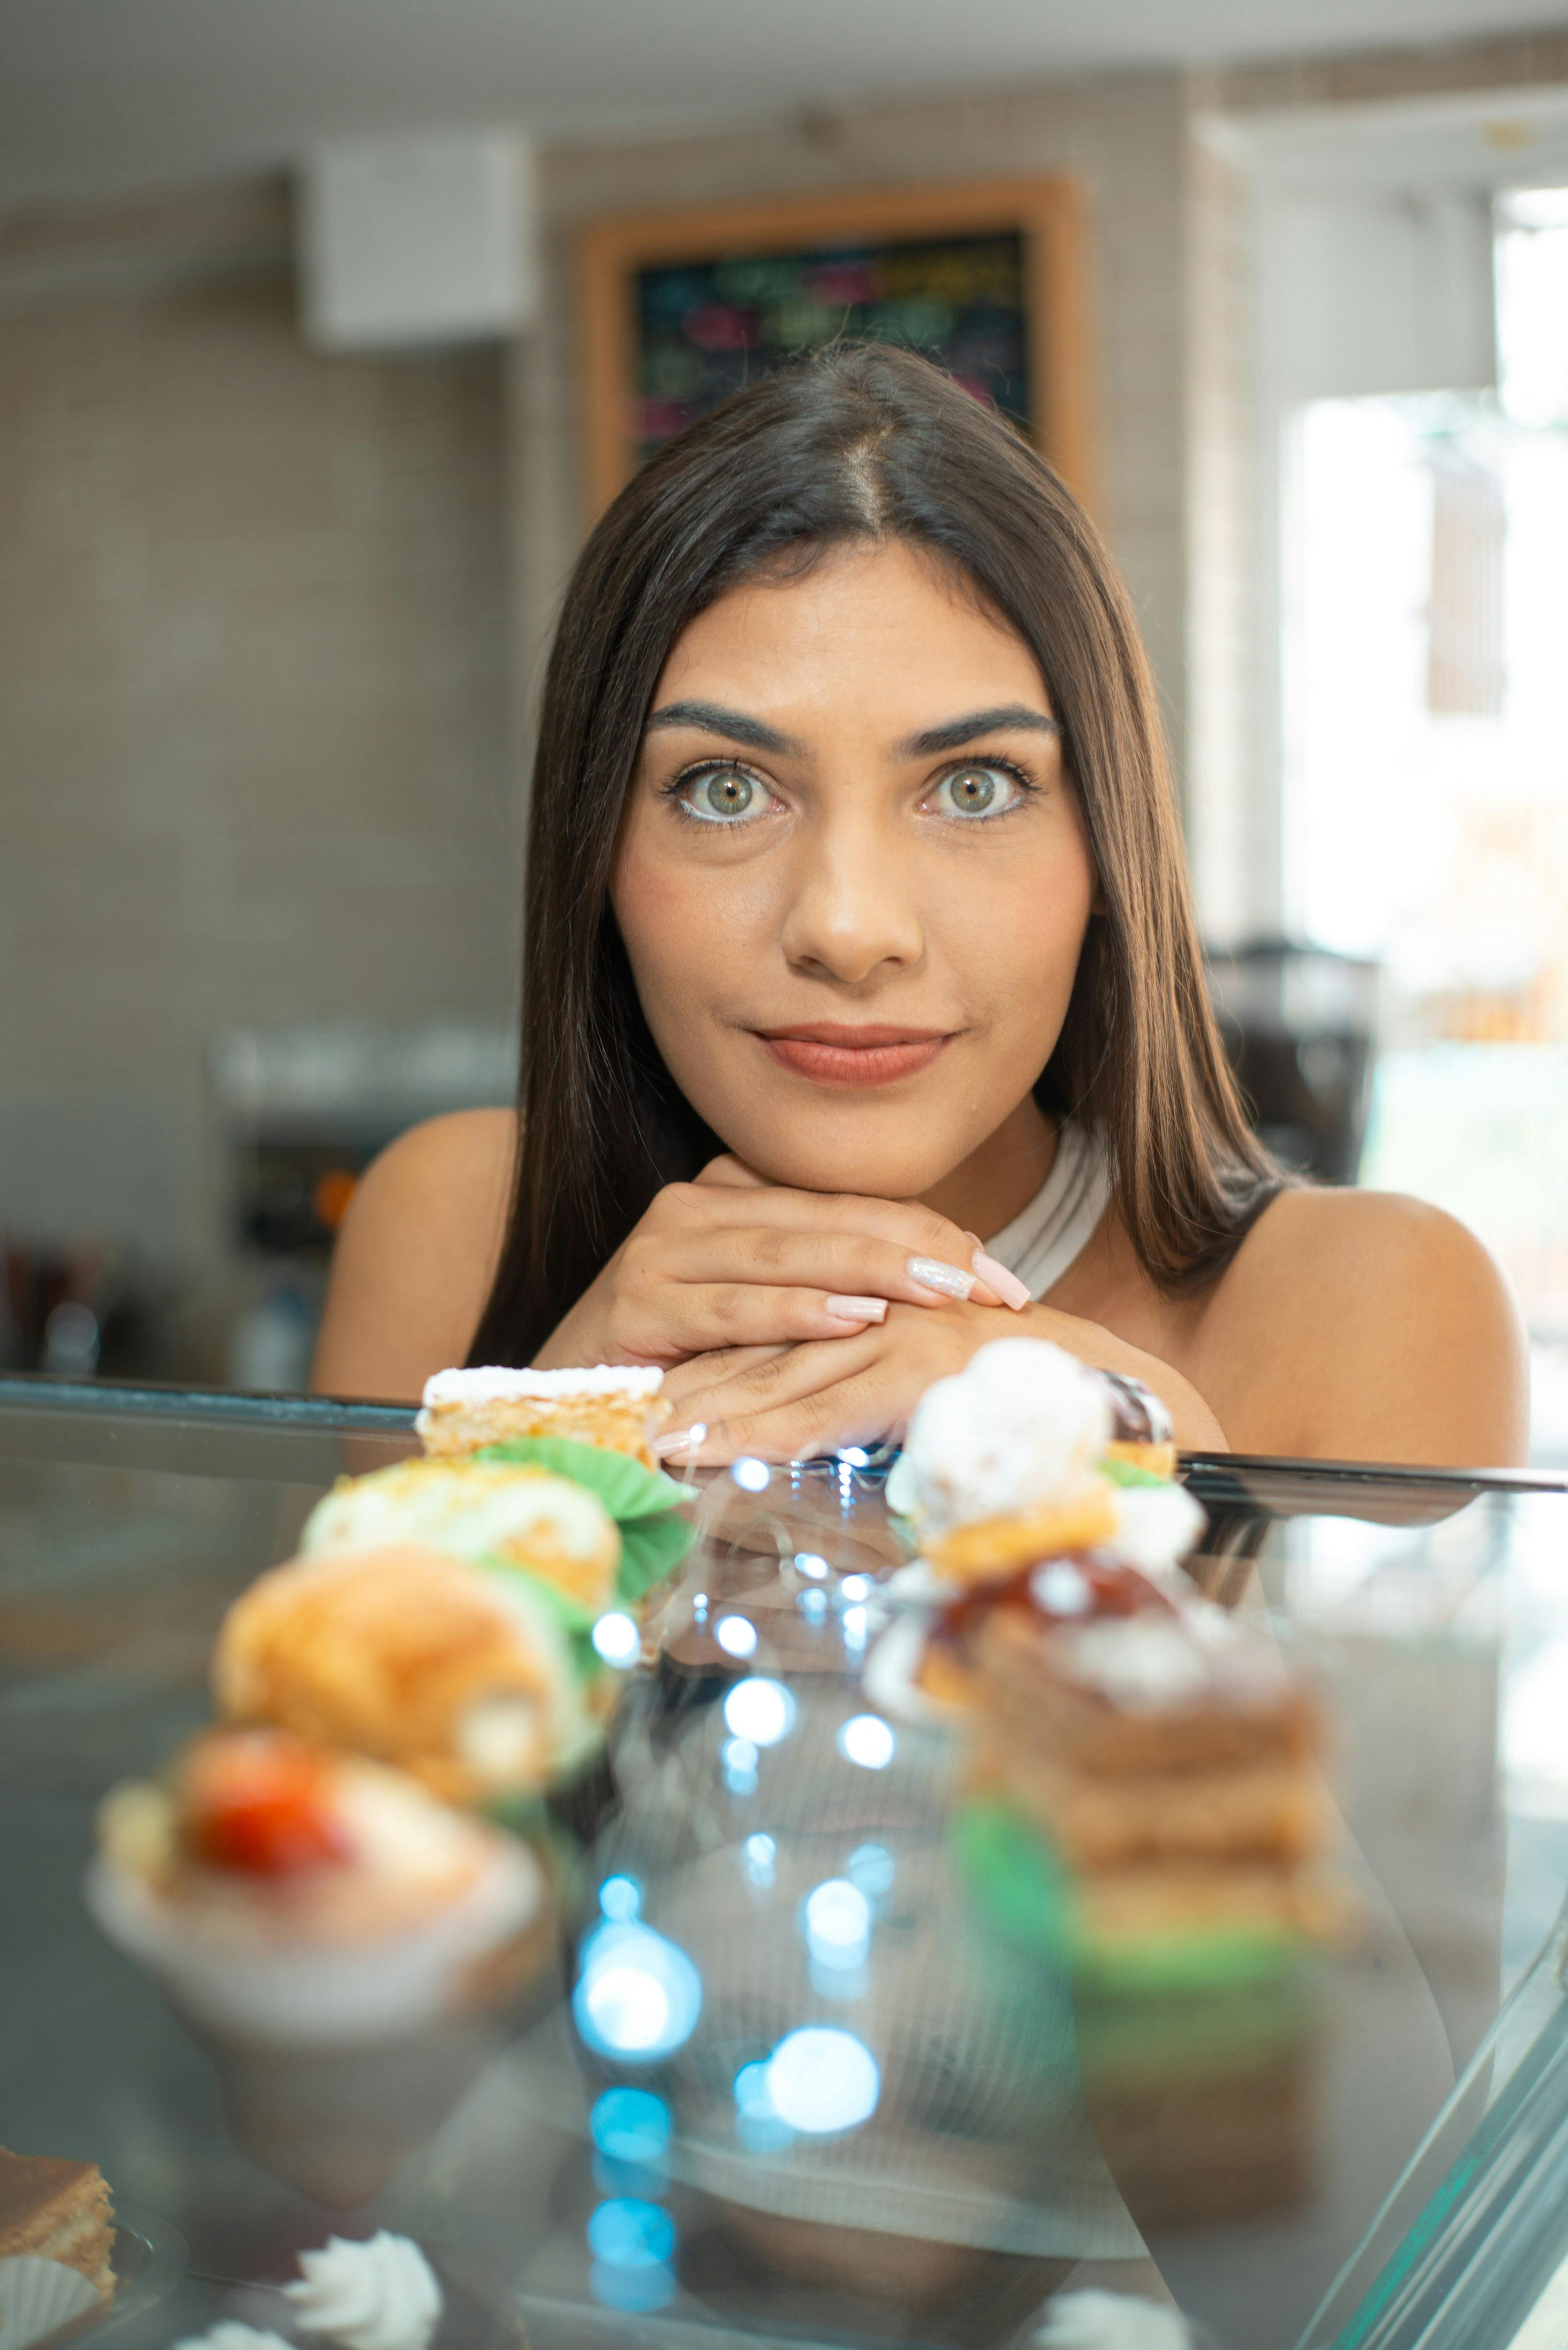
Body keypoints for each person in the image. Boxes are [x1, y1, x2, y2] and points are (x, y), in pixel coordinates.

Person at [313, 345, 1527, 1468]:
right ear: (594, 850)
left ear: (1111, 850)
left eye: (974, 786)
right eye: (724, 790)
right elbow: (335, 1697)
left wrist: (1153, 1468)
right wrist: (551, 1448)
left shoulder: (1369, 1298)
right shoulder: (457, 1223)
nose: (847, 929)